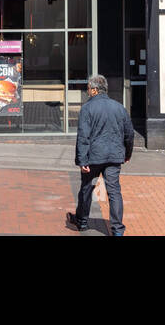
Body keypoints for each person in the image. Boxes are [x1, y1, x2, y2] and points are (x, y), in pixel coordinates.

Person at [67, 74, 134, 236]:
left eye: (88, 89)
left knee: (86, 189)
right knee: (114, 192)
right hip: (114, 156)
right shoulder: (119, 107)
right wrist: (127, 153)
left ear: (95, 90)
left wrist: (82, 160)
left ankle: (82, 221)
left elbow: (83, 136)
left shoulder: (87, 108)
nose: (87, 91)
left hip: (93, 157)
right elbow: (129, 133)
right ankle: (117, 230)